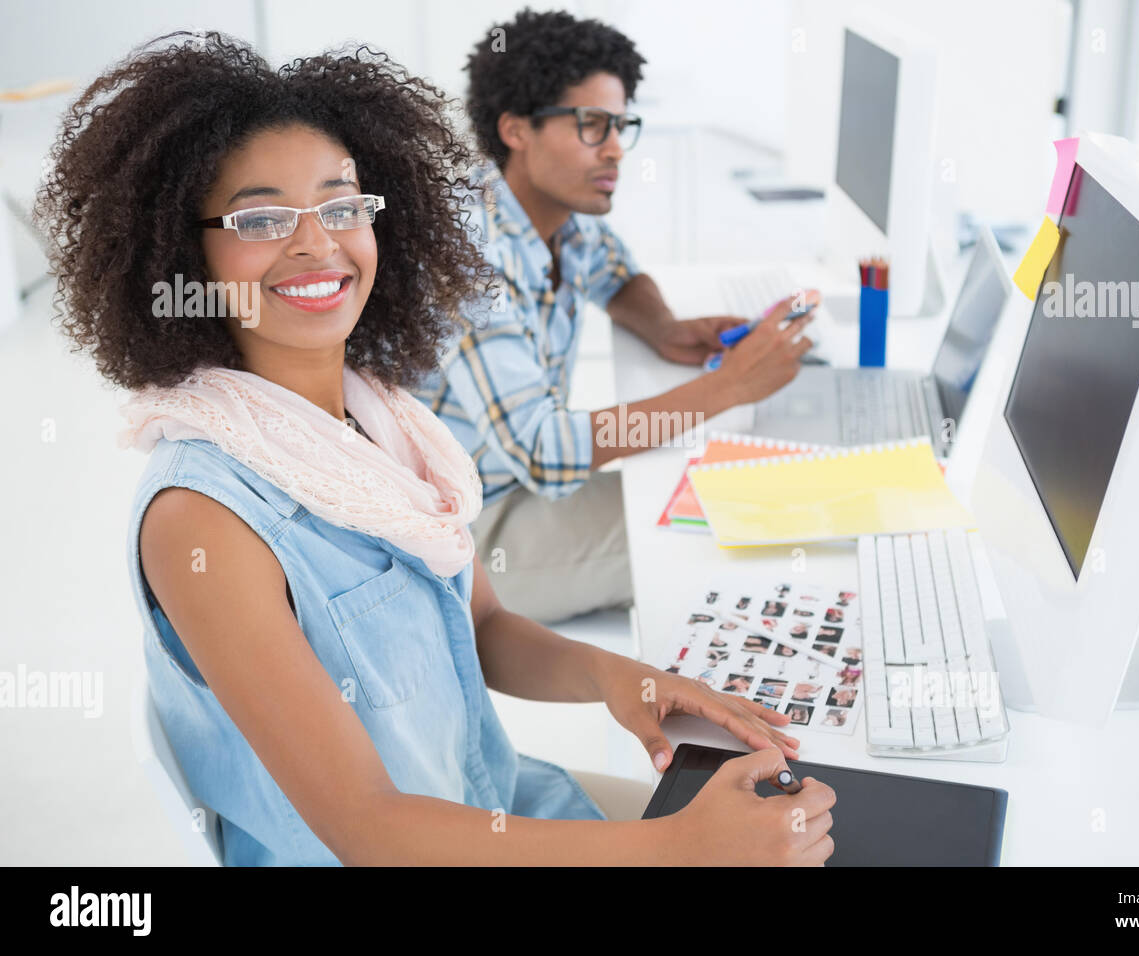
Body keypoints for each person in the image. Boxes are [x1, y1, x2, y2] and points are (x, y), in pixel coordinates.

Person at [34, 31, 833, 866]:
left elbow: (481, 623)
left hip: (494, 804)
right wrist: (676, 850)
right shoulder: (201, 519)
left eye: (342, 206)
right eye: (262, 218)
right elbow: (367, 828)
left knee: (814, 828)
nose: (316, 244)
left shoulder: (382, 414)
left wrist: (615, 679)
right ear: (180, 248)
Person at [418, 8, 819, 623]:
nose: (615, 150)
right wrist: (728, 387)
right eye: (591, 126)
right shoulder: (468, 259)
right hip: (466, 540)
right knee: (734, 523)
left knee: (723, 494)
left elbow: (620, 277)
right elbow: (546, 450)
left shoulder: (558, 217)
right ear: (516, 129)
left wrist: (663, 325)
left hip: (513, 489)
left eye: (621, 126)